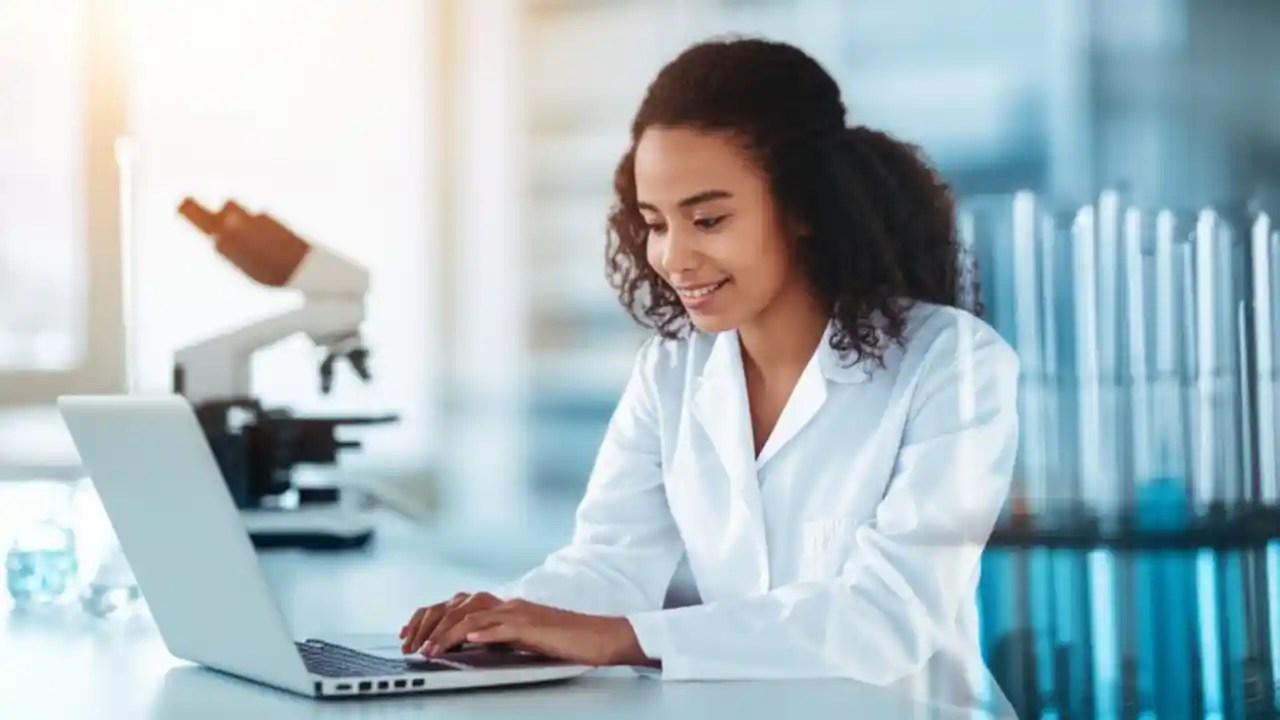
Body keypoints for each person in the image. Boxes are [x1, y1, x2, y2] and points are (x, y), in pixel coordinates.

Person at [400, 37, 1019, 698]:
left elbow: (886, 618)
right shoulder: (670, 371)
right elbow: (610, 562)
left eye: (708, 219)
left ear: (806, 207)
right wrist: (497, 622)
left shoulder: (952, 362)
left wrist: (624, 638)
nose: (673, 257)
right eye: (656, 224)